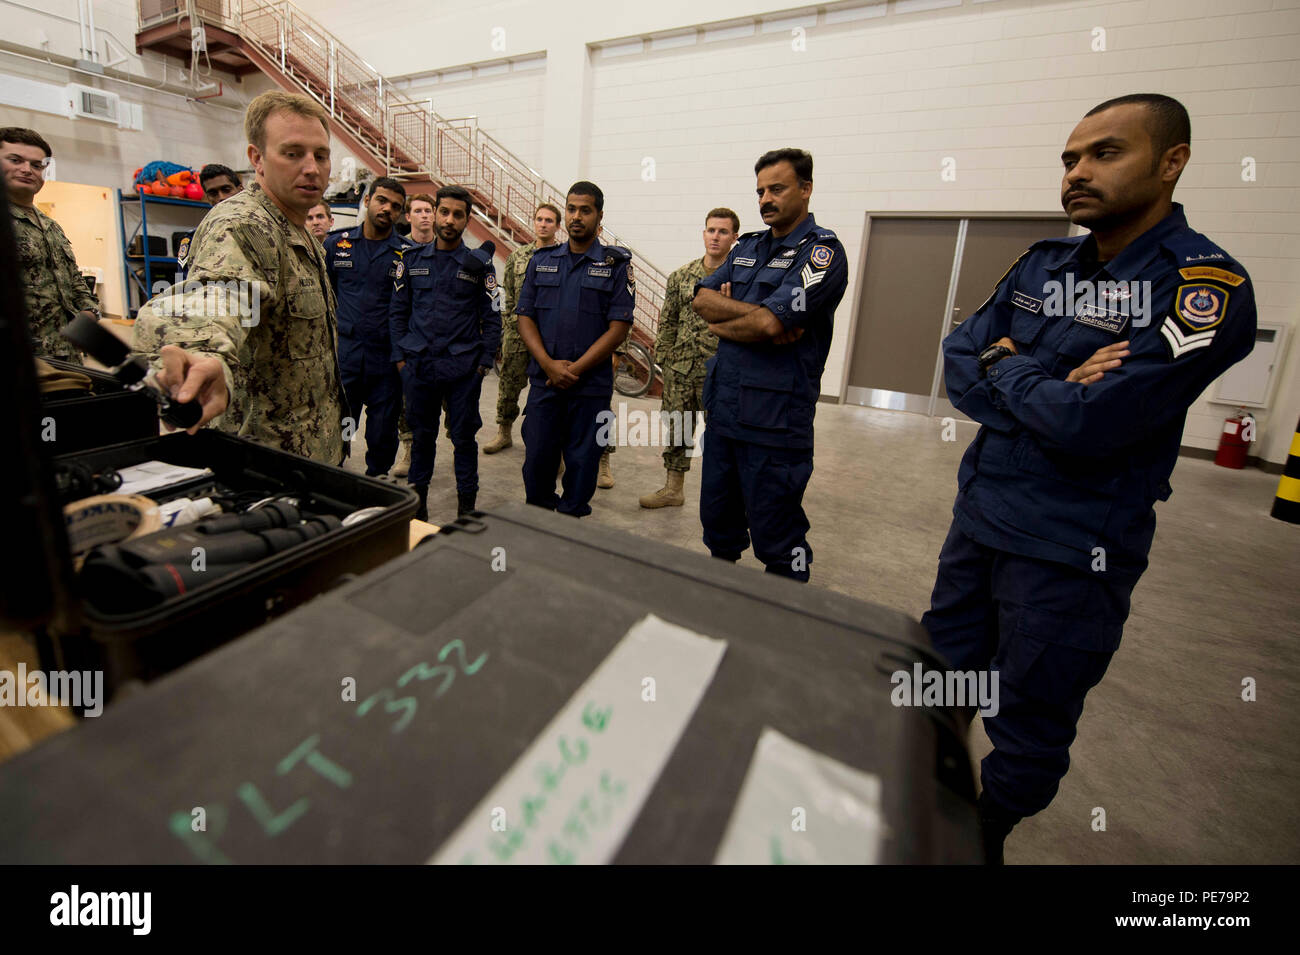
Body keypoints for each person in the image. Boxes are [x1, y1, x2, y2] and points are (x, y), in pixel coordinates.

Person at [920, 94, 1257, 864]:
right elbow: (961, 360)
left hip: (1073, 553)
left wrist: (1010, 362)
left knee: (1028, 722)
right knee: (938, 683)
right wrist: (1044, 380)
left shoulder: (1203, 289)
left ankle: (981, 840)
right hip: (979, 522)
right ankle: (921, 814)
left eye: (1105, 153)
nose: (1077, 172)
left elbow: (1094, 423)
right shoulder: (1044, 263)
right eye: (1070, 158)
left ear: (1172, 162)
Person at [132, 91, 346, 464]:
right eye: (293, 153)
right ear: (257, 159)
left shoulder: (297, 228)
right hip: (264, 459)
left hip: (311, 449)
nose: (312, 168)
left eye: (321, 155)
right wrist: (200, 351)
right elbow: (217, 294)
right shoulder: (244, 224)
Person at [692, 148, 847, 582]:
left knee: (778, 539)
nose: (765, 199)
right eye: (760, 190)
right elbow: (701, 299)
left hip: (776, 424)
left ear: (806, 189)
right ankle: (723, 604)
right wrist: (755, 319)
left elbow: (768, 322)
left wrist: (735, 320)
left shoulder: (823, 254)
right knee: (718, 529)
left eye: (776, 189)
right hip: (725, 413)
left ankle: (783, 625)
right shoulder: (748, 248)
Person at [516, 181, 633, 517]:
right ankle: (539, 526)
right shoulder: (542, 260)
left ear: (599, 216)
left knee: (582, 467)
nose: (576, 216)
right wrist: (549, 366)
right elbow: (525, 316)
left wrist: (575, 369)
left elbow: (619, 326)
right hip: (545, 383)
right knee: (537, 461)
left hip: (590, 388)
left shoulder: (616, 265)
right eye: (571, 209)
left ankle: (570, 529)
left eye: (585, 210)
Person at [389, 185, 500, 521]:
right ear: (435, 212)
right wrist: (401, 361)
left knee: (464, 439)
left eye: (458, 214)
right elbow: (397, 313)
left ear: (467, 220)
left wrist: (482, 366)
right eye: (444, 212)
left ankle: (466, 507)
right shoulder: (410, 261)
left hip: (463, 371)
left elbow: (493, 317)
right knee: (423, 438)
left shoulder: (479, 265)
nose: (449, 220)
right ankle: (418, 505)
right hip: (419, 367)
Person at [640, 207, 739, 508]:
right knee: (678, 429)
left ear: (735, 237)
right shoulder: (682, 276)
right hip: (680, 370)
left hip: (719, 372)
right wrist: (665, 358)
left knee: (721, 437)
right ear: (704, 232)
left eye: (723, 231)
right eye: (711, 230)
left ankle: (720, 499)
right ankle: (673, 489)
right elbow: (668, 320)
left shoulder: (740, 278)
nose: (716, 237)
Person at [324, 177, 412, 479]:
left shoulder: (407, 254)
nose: (387, 209)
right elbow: (327, 296)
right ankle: (335, 472)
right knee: (341, 424)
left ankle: (377, 479)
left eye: (395, 207)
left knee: (381, 430)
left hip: (385, 361)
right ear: (367, 200)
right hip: (345, 355)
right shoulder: (337, 245)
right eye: (382, 201)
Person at [3, 127, 101, 362]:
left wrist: (89, 311)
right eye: (15, 160)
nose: (27, 170)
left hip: (66, 354)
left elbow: (73, 278)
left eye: (36, 165)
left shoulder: (51, 226)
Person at [483, 202, 561, 455]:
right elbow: (507, 294)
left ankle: (546, 442)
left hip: (549, 335)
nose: (543, 224)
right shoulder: (518, 256)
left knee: (549, 388)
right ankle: (504, 432)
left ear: (558, 226)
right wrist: (508, 326)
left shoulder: (564, 257)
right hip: (517, 335)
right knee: (509, 384)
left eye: (549, 220)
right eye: (539, 219)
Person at [391, 192, 437, 478]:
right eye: (417, 211)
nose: (423, 215)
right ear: (408, 217)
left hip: (445, 343)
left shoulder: (447, 245)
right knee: (408, 403)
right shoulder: (398, 251)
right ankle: (408, 449)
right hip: (411, 342)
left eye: (427, 210)